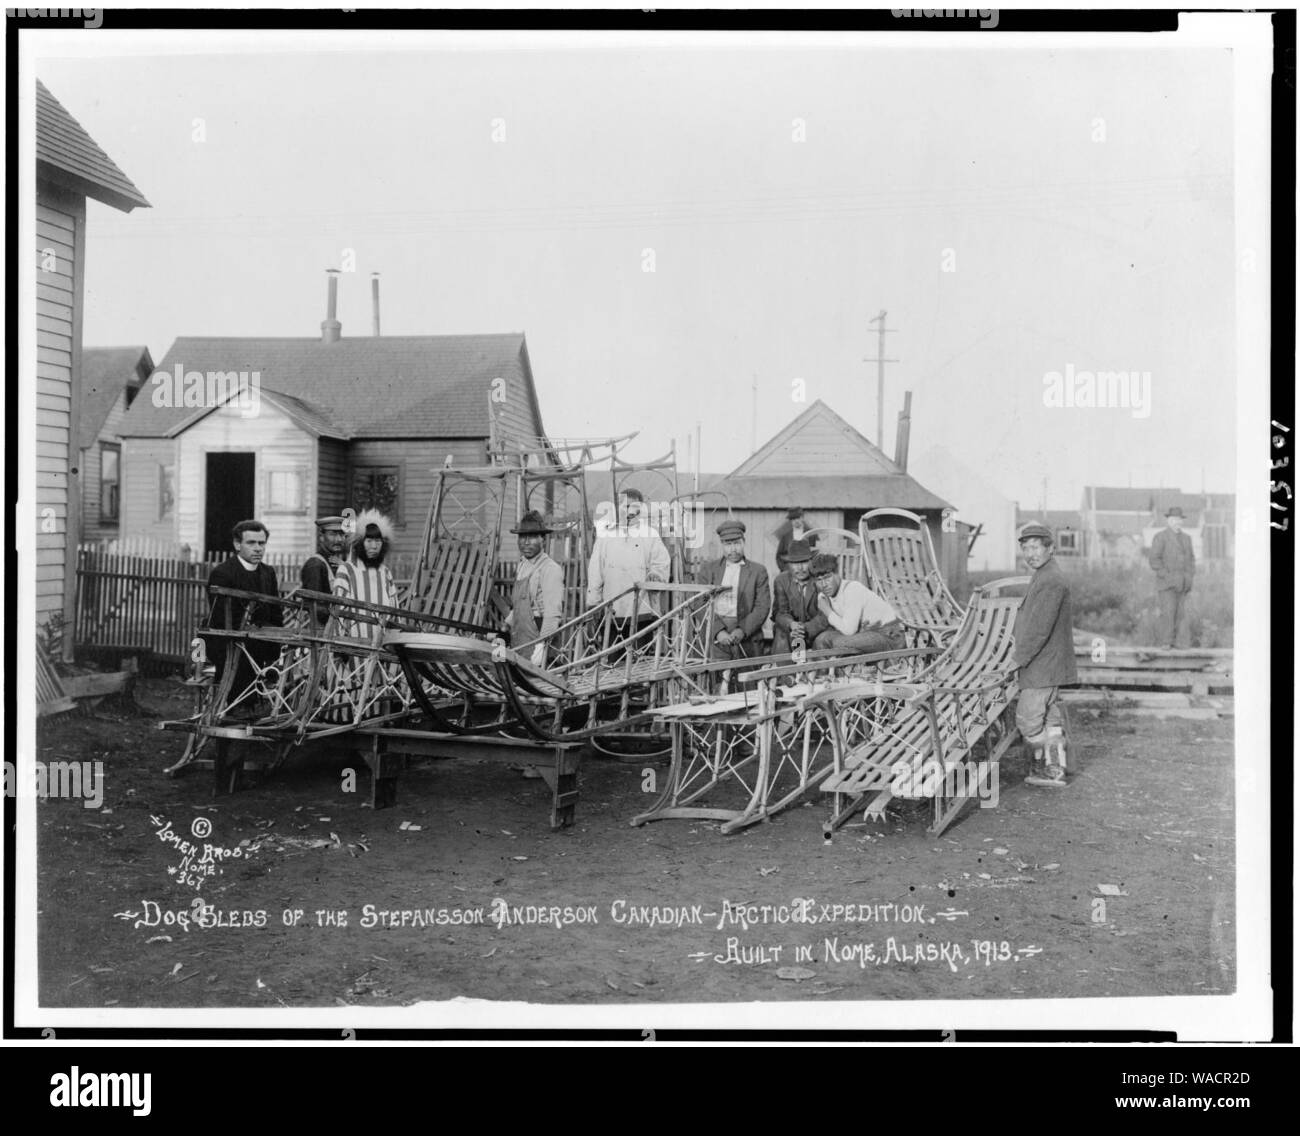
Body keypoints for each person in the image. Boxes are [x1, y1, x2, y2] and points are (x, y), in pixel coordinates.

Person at [1011, 521, 1078, 786]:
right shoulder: (1046, 574)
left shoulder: (1050, 579)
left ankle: (1046, 766)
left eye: (1036, 547)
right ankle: (1058, 766)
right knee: (1049, 717)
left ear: (1050, 548)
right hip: (1048, 664)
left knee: (1028, 719)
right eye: (1025, 548)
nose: (1030, 553)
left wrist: (1015, 661)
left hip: (1042, 666)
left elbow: (1038, 630)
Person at [204, 520, 284, 717]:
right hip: (229, 642)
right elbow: (220, 618)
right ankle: (236, 706)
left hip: (261, 640)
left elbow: (275, 611)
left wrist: (276, 642)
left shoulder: (267, 573)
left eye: (262, 543)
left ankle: (261, 704)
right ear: (237, 545)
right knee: (240, 650)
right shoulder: (223, 573)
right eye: (251, 543)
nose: (258, 548)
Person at [587, 488, 671, 650]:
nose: (630, 511)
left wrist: (656, 575)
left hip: (641, 609)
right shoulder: (606, 536)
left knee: (639, 656)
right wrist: (593, 603)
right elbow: (595, 571)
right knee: (612, 657)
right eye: (625, 506)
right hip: (612, 608)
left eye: (634, 506)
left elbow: (661, 563)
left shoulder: (649, 534)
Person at [696, 518, 771, 661]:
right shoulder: (708, 571)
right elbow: (700, 603)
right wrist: (718, 631)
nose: (733, 549)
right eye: (728, 544)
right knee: (715, 678)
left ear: (744, 542)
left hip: (746, 633)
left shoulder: (758, 571)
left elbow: (762, 606)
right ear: (722, 545)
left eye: (737, 543)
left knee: (746, 677)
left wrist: (742, 630)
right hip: (715, 632)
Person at [809, 552, 904, 653]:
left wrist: (827, 611)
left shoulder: (852, 589)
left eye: (827, 578)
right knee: (821, 639)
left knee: (840, 643)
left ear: (837, 574)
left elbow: (849, 631)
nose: (824, 584)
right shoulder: (824, 597)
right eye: (819, 580)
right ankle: (826, 669)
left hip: (889, 635)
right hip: (866, 633)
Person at [508, 510, 565, 665]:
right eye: (522, 536)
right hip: (520, 637)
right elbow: (519, 605)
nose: (526, 542)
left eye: (532, 537)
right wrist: (506, 624)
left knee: (539, 684)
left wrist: (542, 646)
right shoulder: (522, 566)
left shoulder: (550, 569)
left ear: (543, 540)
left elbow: (553, 614)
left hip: (539, 636)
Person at [332, 511, 398, 635]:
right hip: (354, 642)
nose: (374, 546)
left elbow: (394, 609)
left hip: (382, 644)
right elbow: (337, 610)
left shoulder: (385, 572)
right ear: (360, 543)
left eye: (378, 541)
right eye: (369, 541)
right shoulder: (347, 570)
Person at [770, 539, 829, 657]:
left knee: (821, 640)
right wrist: (791, 624)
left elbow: (825, 615)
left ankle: (813, 672)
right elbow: (780, 612)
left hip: (816, 630)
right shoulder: (781, 580)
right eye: (795, 563)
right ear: (788, 564)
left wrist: (805, 629)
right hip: (792, 631)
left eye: (804, 562)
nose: (800, 568)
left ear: (811, 562)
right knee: (782, 633)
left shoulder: (820, 579)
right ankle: (785, 673)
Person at [1149, 505, 1195, 649]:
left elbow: (1191, 560)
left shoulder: (1187, 538)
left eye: (1180, 519)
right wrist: (1167, 576)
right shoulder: (1160, 537)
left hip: (1183, 583)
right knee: (1168, 613)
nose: (1177, 522)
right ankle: (1166, 644)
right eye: (1174, 519)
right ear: (1168, 520)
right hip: (1167, 584)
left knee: (1180, 615)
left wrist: (1189, 576)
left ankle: (1178, 644)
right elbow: (1154, 560)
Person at [300, 514, 347, 625]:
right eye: (333, 534)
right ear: (321, 537)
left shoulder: (337, 563)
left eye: (341, 534)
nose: (339, 539)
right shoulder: (315, 564)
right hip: (319, 631)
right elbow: (315, 606)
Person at [774, 507, 819, 574]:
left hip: (807, 570)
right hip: (790, 570)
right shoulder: (785, 536)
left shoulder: (811, 535)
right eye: (793, 519)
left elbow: (815, 553)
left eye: (798, 518)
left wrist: (811, 569)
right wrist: (785, 569)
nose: (796, 521)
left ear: (802, 518)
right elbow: (779, 556)